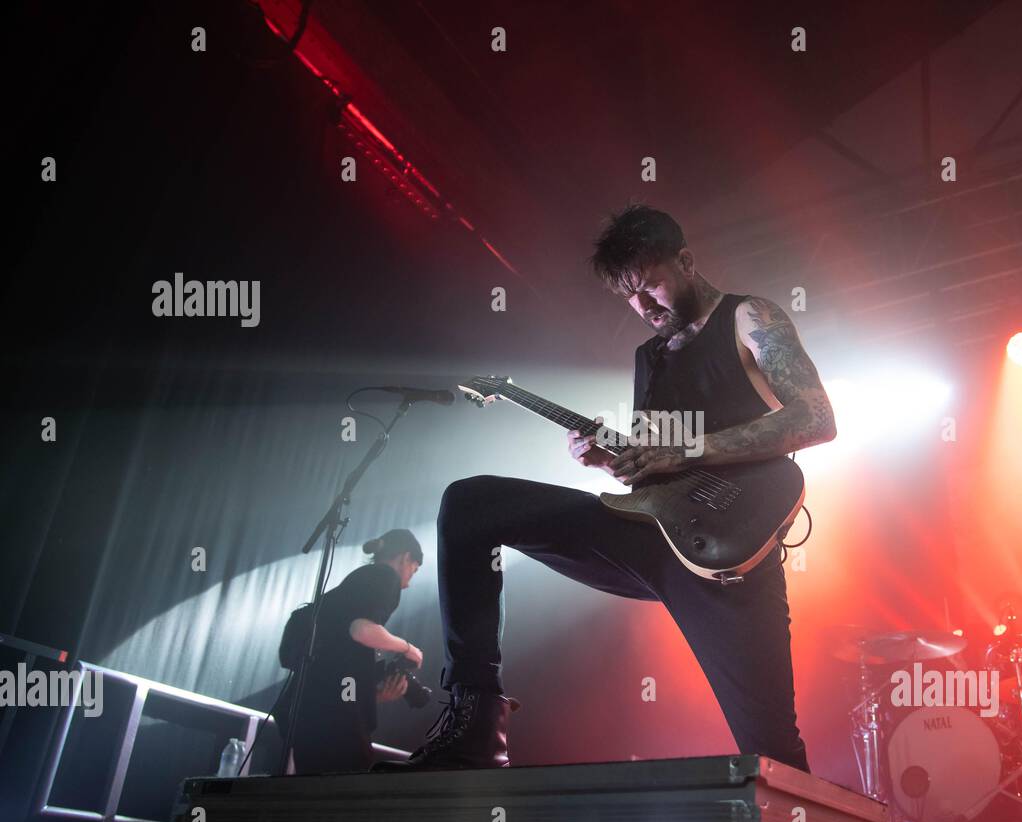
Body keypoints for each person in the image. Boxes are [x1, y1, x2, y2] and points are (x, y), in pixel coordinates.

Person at [373, 205, 835, 775]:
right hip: (650, 540)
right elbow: (657, 473)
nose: (644, 308)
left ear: (686, 261)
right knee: (471, 502)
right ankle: (475, 721)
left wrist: (687, 449)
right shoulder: (649, 358)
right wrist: (609, 460)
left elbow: (816, 418)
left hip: (734, 561)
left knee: (775, 757)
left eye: (650, 286)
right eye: (629, 298)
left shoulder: (748, 317)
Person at [288, 528, 424, 773]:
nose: (408, 584)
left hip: (309, 710)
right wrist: (408, 648)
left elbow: (338, 662)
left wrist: (377, 696)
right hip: (333, 721)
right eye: (413, 570)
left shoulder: (357, 582)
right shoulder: (386, 576)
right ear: (405, 557)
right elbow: (361, 630)